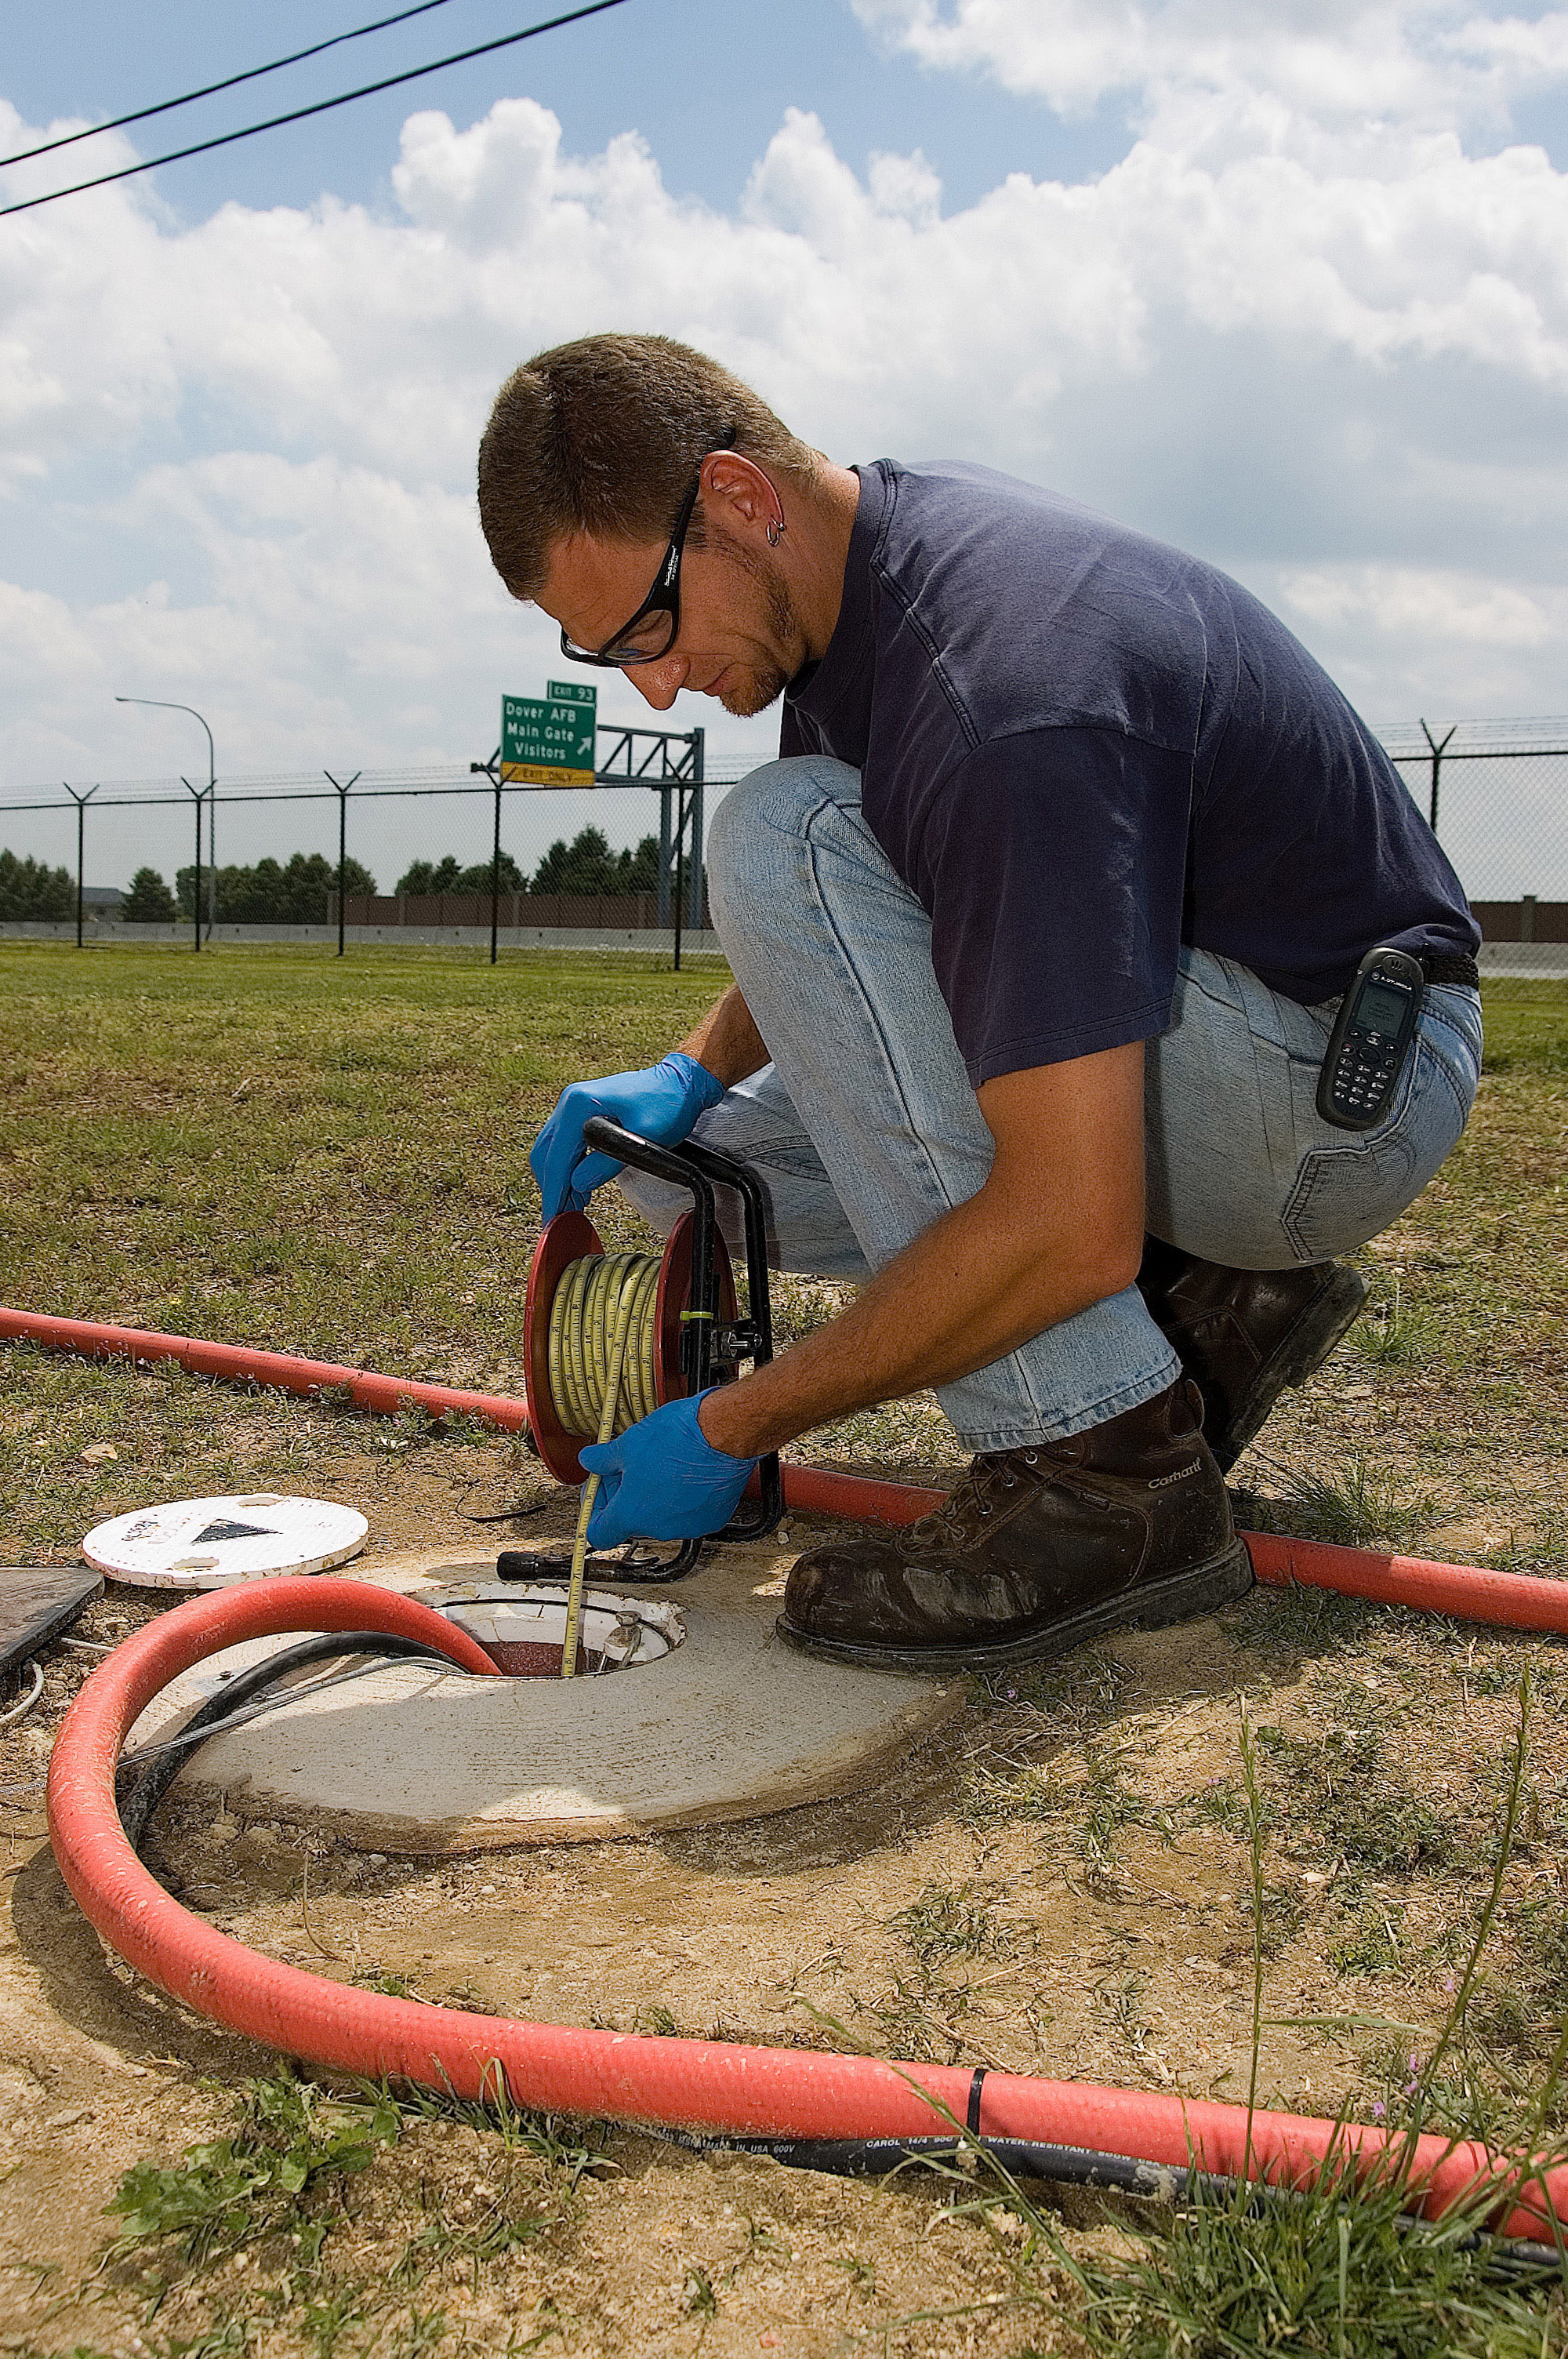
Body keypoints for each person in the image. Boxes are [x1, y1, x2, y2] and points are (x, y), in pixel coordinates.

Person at [477, 333, 1482, 1674]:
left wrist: (736, 1426)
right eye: (611, 661)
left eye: (648, 631)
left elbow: (1065, 1225)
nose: (655, 687)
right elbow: (884, 928)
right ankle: (1202, 1307)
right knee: (693, 1177)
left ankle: (1103, 1473)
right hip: (1247, 1057)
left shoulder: (1003, 687)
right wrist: (688, 1075)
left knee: (779, 841)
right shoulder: (853, 600)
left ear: (737, 500)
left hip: (1332, 1096)